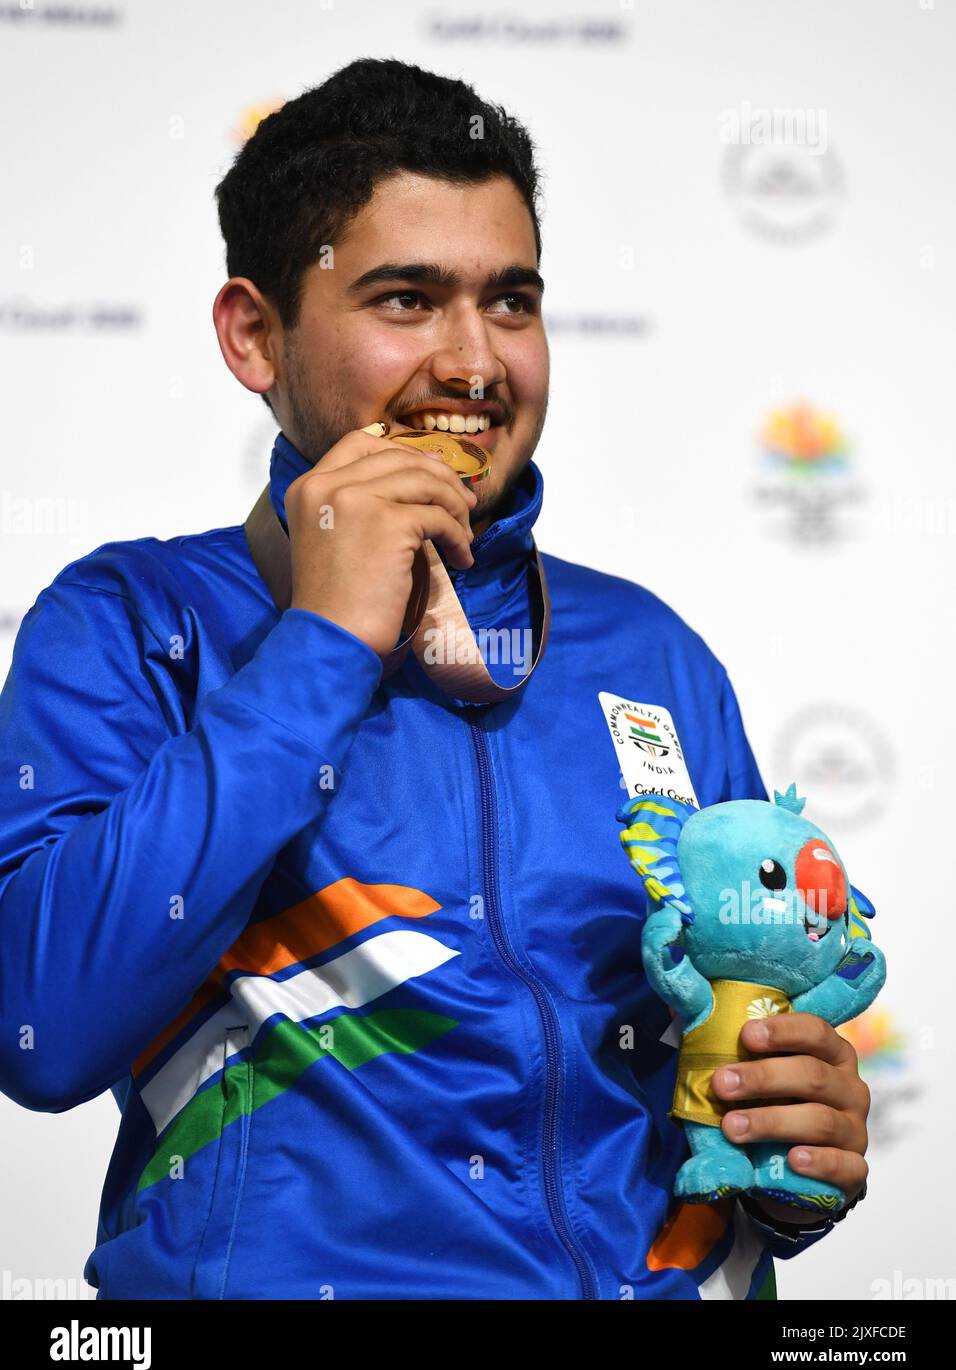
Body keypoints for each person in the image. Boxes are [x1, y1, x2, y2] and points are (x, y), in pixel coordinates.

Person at [0, 57, 870, 1301]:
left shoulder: (653, 651)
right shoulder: (134, 621)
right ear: (255, 333)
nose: (474, 362)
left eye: (509, 302)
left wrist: (788, 1147)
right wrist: (321, 642)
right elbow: (37, 1021)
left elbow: (726, 1076)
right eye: (406, 300)